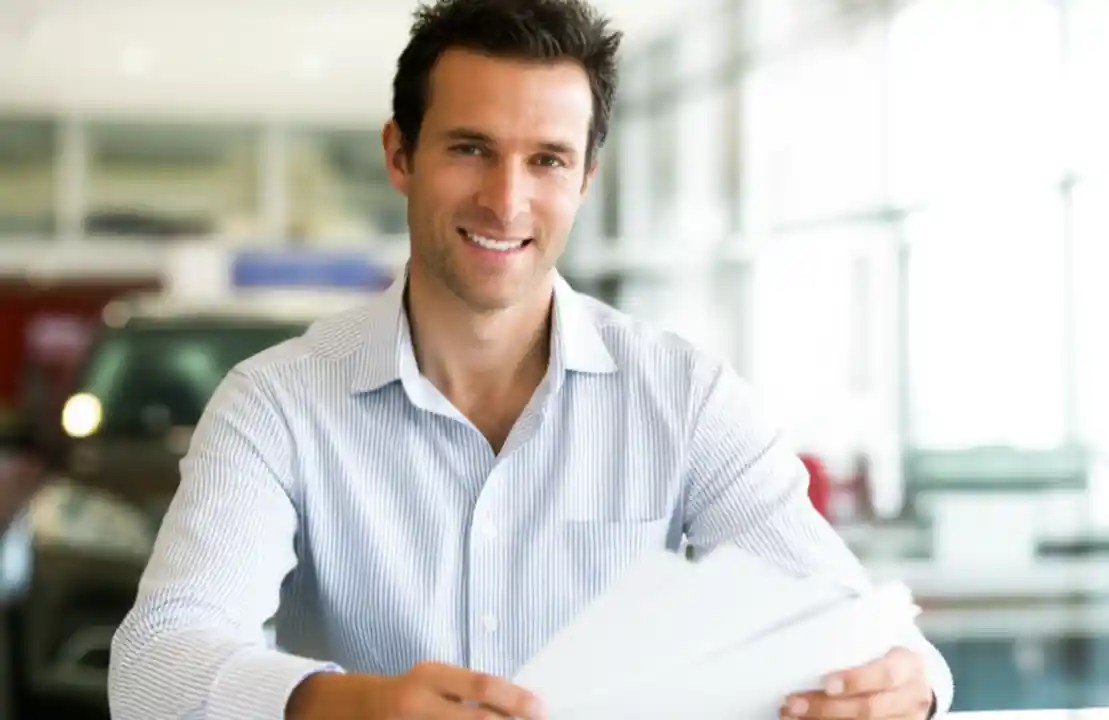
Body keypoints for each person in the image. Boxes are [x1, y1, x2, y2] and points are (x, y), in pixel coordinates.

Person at [107, 1, 953, 718]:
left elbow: (860, 624)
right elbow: (152, 668)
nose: (506, 199)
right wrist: (353, 704)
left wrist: (908, 686)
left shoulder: (684, 397)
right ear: (400, 155)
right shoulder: (277, 402)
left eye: (546, 159)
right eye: (470, 148)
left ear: (584, 180)